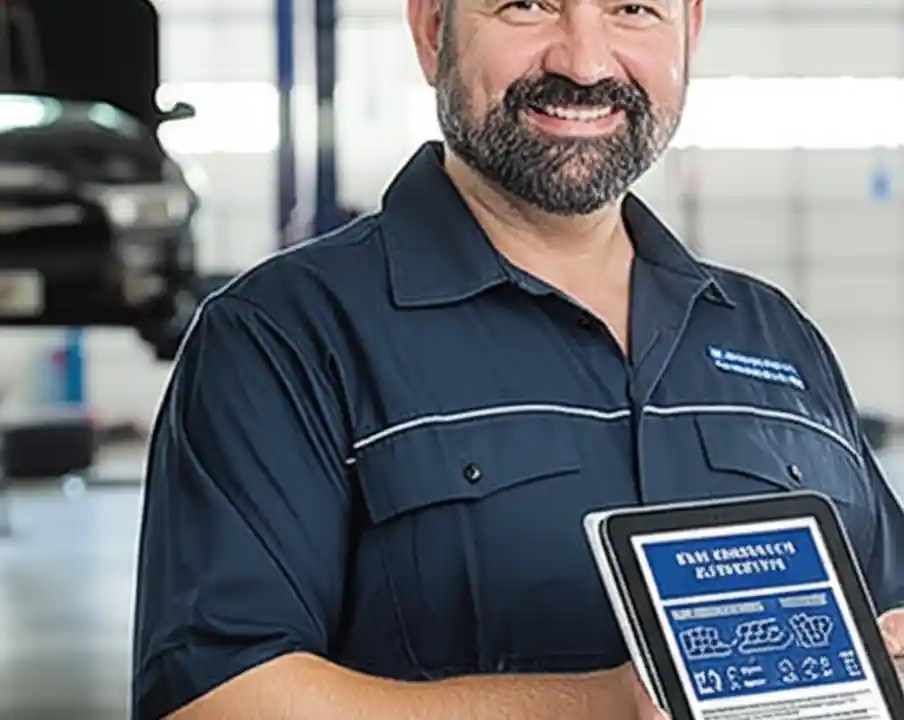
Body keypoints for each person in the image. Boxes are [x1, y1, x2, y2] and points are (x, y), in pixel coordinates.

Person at [130, 0, 904, 717]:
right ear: (434, 29)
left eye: (632, 8)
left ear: (689, 30)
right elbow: (215, 696)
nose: (586, 63)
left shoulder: (774, 336)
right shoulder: (283, 335)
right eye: (527, 4)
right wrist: (605, 704)